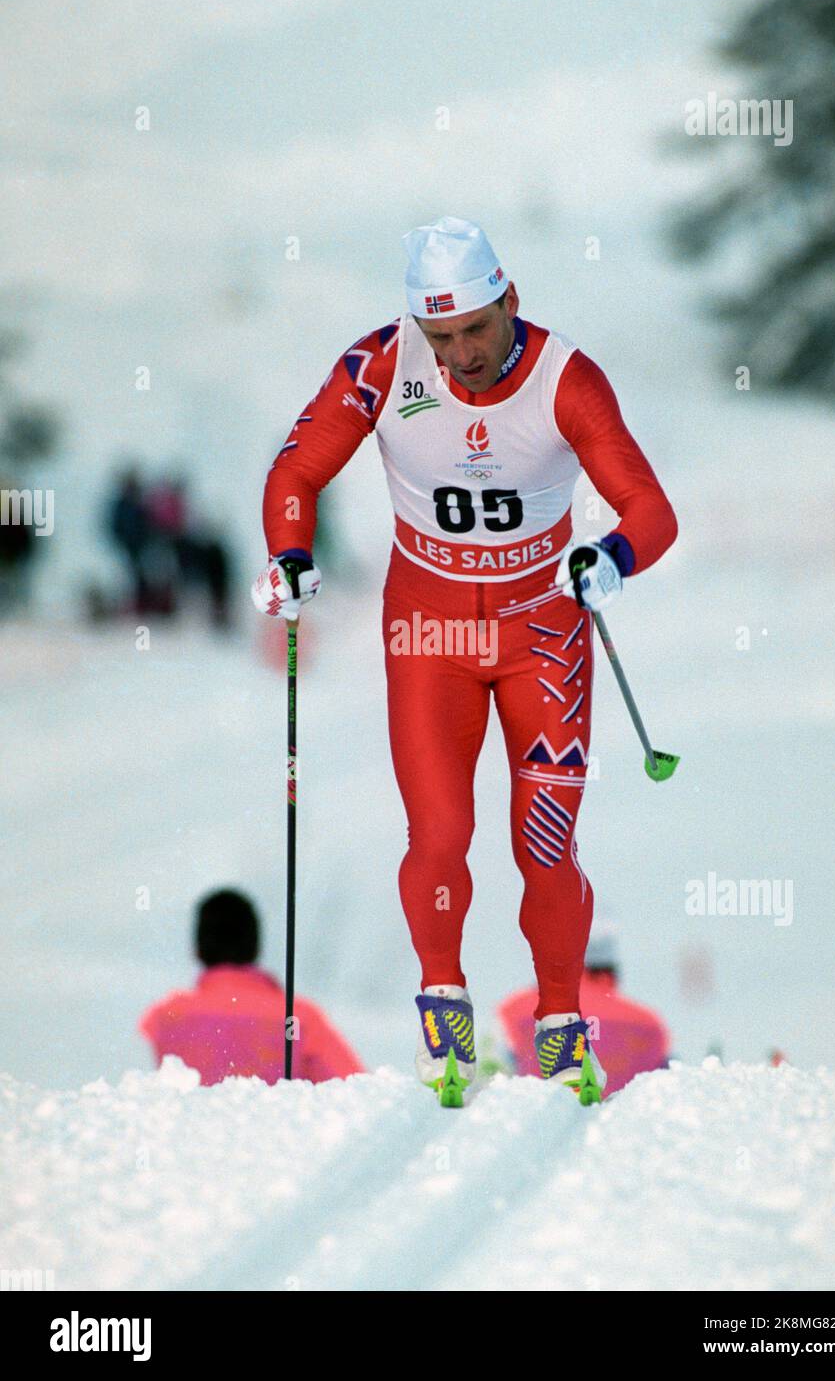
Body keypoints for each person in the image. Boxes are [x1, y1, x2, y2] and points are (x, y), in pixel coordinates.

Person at [252, 216, 678, 1099]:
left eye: (476, 330)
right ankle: (443, 1014)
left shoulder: (568, 379)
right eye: (440, 337)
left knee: (546, 845)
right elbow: (294, 474)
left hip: (543, 634)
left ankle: (562, 1031)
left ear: (508, 297)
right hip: (429, 634)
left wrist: (611, 558)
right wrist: (290, 553)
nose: (461, 355)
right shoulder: (381, 364)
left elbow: (650, 508)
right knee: (441, 834)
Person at [139, 889, 365, 1086]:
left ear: (197, 949)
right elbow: (355, 1091)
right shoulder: (299, 1017)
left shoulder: (166, 1016)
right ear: (256, 947)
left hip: (193, 1135)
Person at [497, 927, 671, 1097]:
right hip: (617, 1123)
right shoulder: (648, 1024)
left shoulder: (514, 1011)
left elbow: (491, 1074)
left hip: (539, 1120)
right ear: (611, 969)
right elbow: (669, 1089)